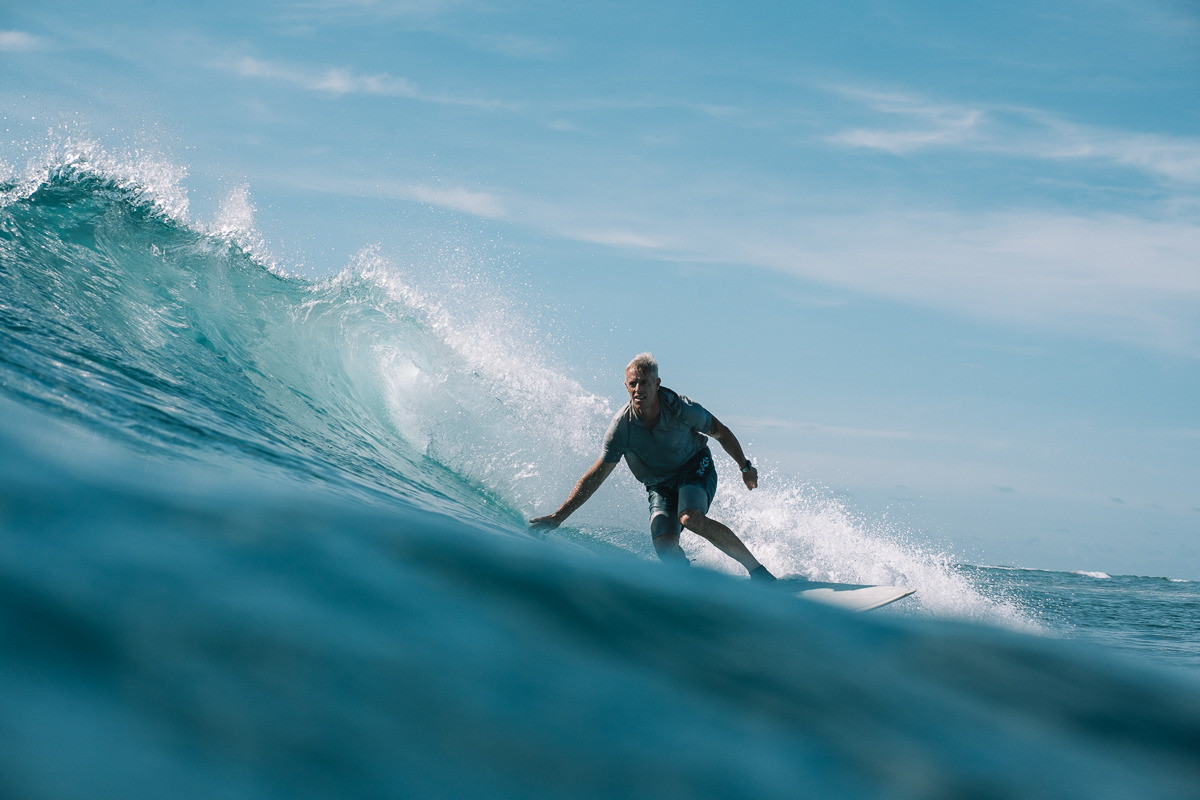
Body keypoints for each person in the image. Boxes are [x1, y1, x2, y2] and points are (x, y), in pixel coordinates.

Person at [530, 353, 776, 582]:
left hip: (695, 465)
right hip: (660, 485)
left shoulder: (682, 409)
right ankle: (689, 584)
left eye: (644, 382)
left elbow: (720, 432)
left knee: (690, 518)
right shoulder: (621, 429)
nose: (638, 389)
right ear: (626, 387)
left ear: (657, 384)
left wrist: (745, 467)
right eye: (633, 383)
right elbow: (595, 476)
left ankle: (759, 572)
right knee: (665, 548)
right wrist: (558, 516)